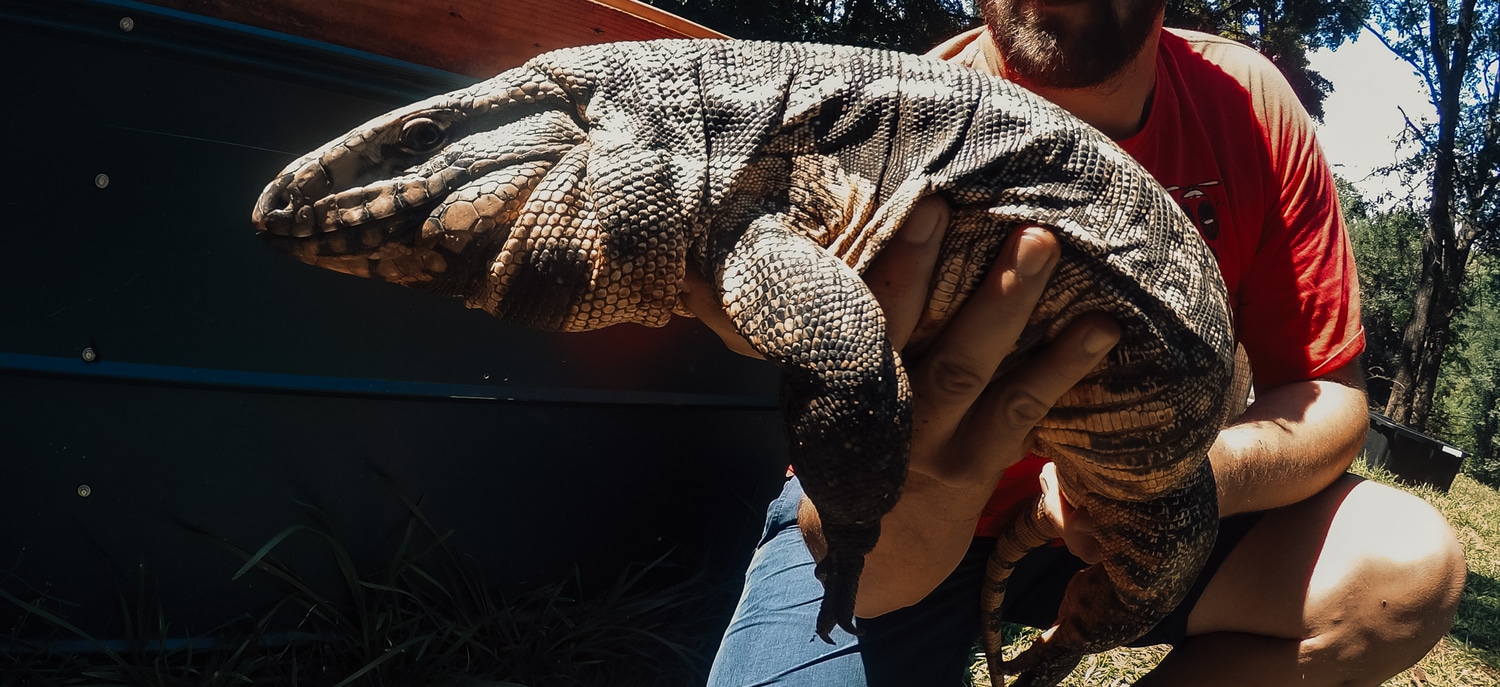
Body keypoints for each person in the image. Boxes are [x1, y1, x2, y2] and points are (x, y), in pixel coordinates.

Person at [689, 1, 1468, 684]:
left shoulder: (1254, 108)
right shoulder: (889, 126)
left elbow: (1331, 395)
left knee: (1406, 568)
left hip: (1147, 514)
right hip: (910, 515)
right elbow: (852, 539)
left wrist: (1164, 477)